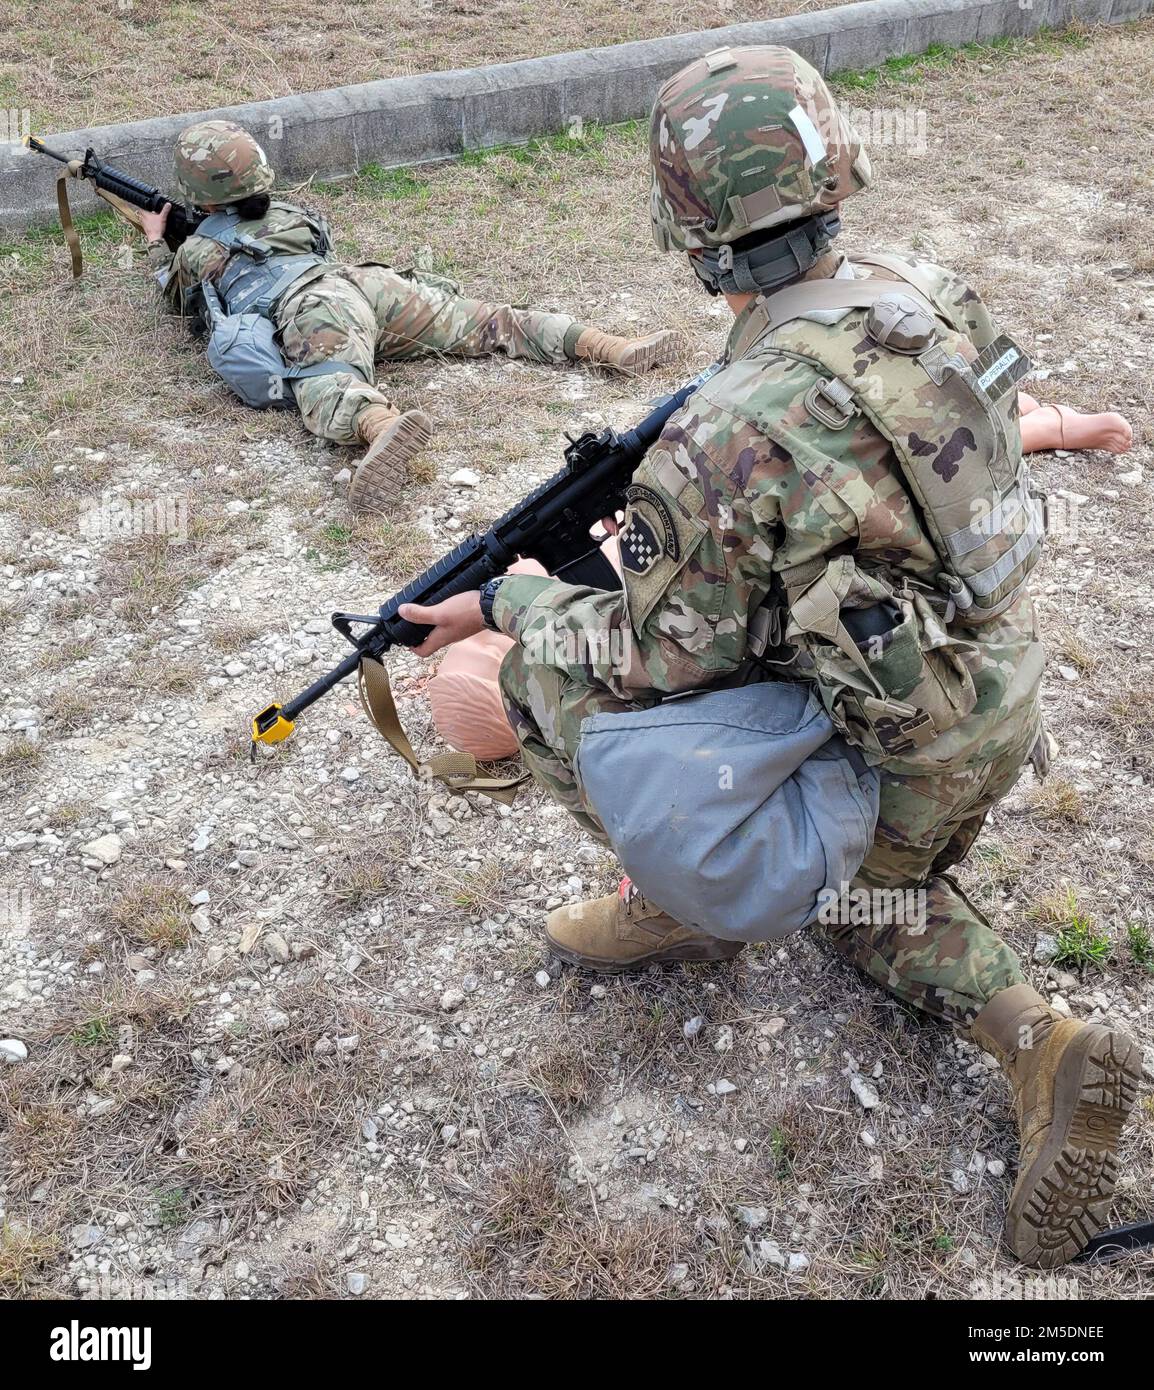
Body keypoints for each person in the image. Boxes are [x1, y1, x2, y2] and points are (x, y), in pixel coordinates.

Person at [396, 46, 1141, 1268]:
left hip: (894, 742)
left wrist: (508, 601)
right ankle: (960, 987)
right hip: (994, 685)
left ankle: (1000, 1025)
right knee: (866, 857)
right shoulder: (927, 290)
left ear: (687, 231)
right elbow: (994, 417)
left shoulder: (722, 434)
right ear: (834, 169)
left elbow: (650, 662)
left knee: (551, 688)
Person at [138, 120, 679, 513]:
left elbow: (182, 306)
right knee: (490, 323)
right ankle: (609, 346)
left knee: (326, 383)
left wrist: (157, 242)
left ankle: (382, 427)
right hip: (368, 286)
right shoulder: (293, 214)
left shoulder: (198, 250)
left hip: (314, 306)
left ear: (198, 190)